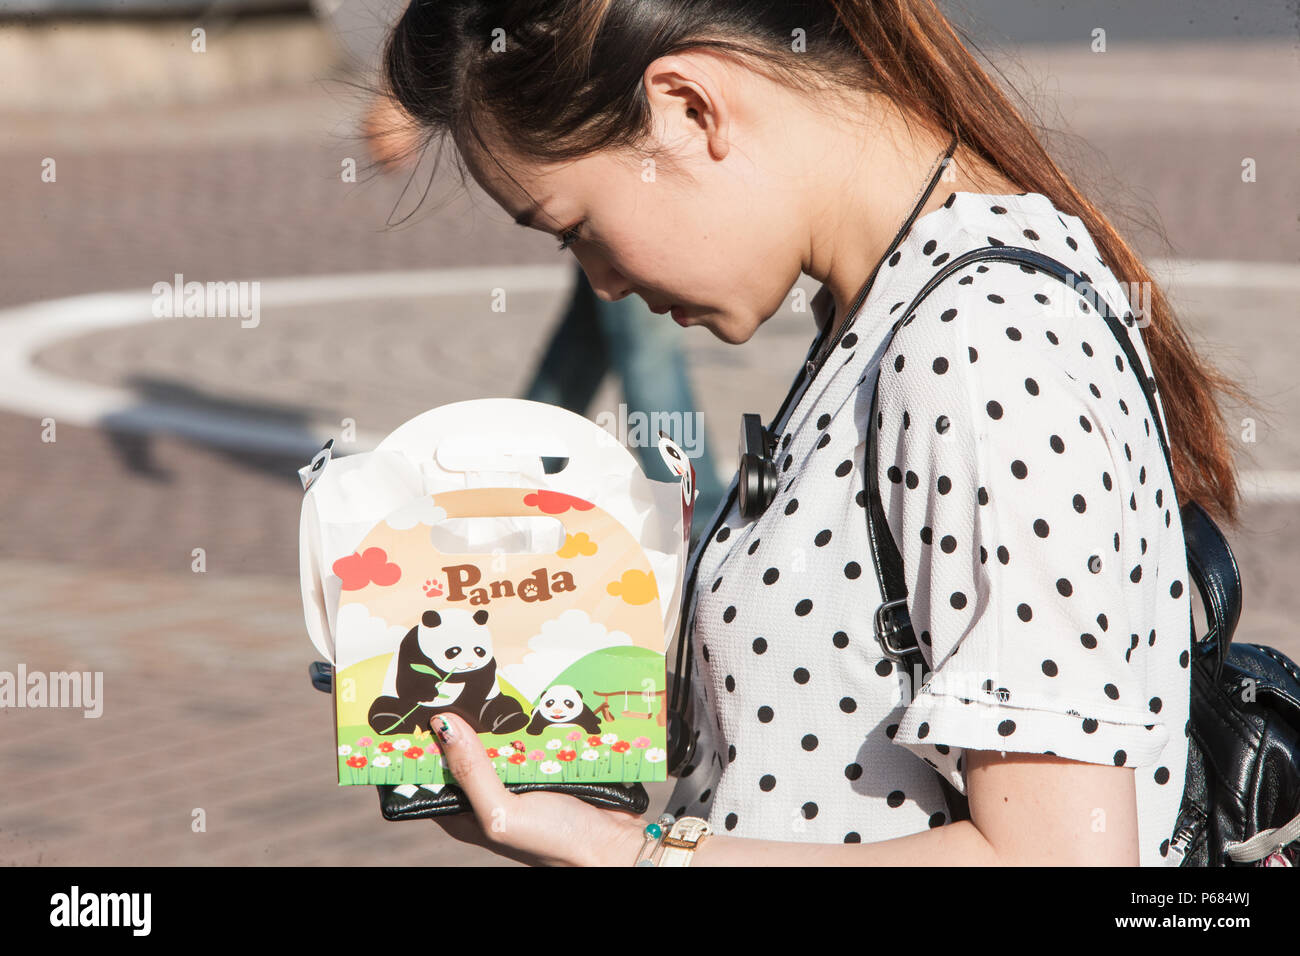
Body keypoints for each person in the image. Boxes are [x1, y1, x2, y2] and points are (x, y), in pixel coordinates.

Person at [373, 0, 1249, 866]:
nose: (600, 285)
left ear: (689, 107)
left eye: (577, 231)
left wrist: (631, 854)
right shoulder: (897, 302)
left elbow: (1058, 860)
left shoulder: (973, 337)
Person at [362, 94, 728, 545]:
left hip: (624, 123)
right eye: (565, 237)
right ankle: (699, 518)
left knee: (593, 335)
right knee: (642, 342)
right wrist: (399, 94)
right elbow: (460, 19)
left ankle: (510, 491)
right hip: (610, 126)